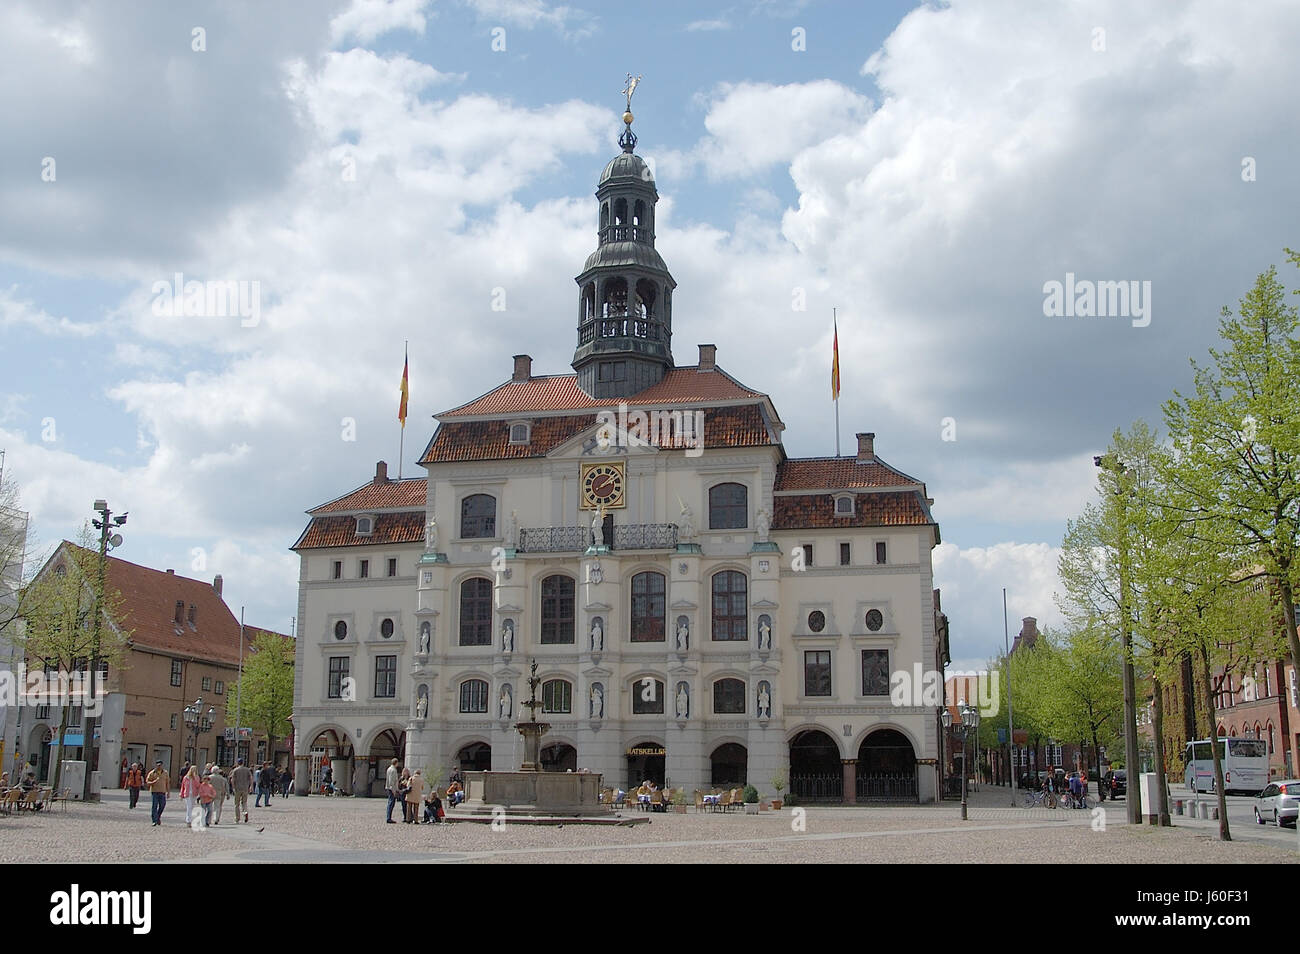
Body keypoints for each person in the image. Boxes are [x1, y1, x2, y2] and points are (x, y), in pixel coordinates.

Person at [146, 760, 170, 826]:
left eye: (160, 765)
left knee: (162, 805)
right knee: (154, 806)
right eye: (158, 765)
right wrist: (153, 782)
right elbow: (147, 782)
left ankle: (158, 817)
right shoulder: (152, 773)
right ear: (156, 765)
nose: (159, 766)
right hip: (155, 792)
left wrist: (168, 792)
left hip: (162, 792)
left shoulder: (165, 773)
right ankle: (154, 820)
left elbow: (167, 783)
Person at [230, 758, 252, 823]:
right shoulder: (247, 770)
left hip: (237, 788)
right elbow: (251, 778)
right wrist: (251, 786)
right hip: (245, 788)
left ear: (237, 763)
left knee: (237, 804)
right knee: (244, 802)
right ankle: (245, 812)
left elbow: (232, 779)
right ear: (243, 763)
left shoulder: (235, 770)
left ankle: (237, 818)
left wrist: (233, 787)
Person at [385, 758, 401, 823]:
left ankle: (389, 817)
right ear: (396, 763)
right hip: (392, 788)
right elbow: (391, 781)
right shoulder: (393, 770)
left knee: (390, 803)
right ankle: (388, 818)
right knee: (391, 803)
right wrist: (394, 790)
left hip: (390, 788)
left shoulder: (389, 769)